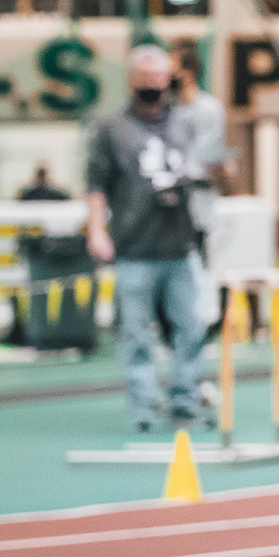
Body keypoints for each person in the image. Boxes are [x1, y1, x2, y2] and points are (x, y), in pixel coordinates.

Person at [86, 44, 208, 432]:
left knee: (191, 329)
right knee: (137, 334)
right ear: (132, 81)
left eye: (160, 78)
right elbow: (95, 184)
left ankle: (186, 402)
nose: (154, 85)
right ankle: (143, 407)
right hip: (134, 247)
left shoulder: (186, 124)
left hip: (181, 245)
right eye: (146, 79)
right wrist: (96, 229)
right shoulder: (111, 130)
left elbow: (207, 173)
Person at [169, 41, 227, 254]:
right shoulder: (168, 111)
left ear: (188, 73)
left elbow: (207, 154)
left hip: (198, 199)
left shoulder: (208, 109)